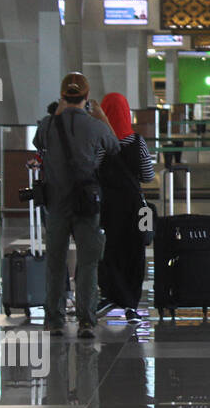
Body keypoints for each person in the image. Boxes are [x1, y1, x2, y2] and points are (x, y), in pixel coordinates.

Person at [33, 73, 120, 338]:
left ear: (62, 96)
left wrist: (57, 114)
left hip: (57, 203)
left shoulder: (48, 125)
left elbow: (38, 144)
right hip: (86, 203)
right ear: (86, 97)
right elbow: (114, 147)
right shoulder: (95, 125)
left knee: (56, 262)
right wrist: (102, 118)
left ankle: (55, 320)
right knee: (88, 263)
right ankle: (86, 321)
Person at [94, 92, 155, 323]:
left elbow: (93, 168)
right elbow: (148, 176)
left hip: (108, 207)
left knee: (109, 251)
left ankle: (110, 295)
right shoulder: (137, 142)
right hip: (134, 207)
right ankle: (131, 302)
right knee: (135, 252)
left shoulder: (102, 143)